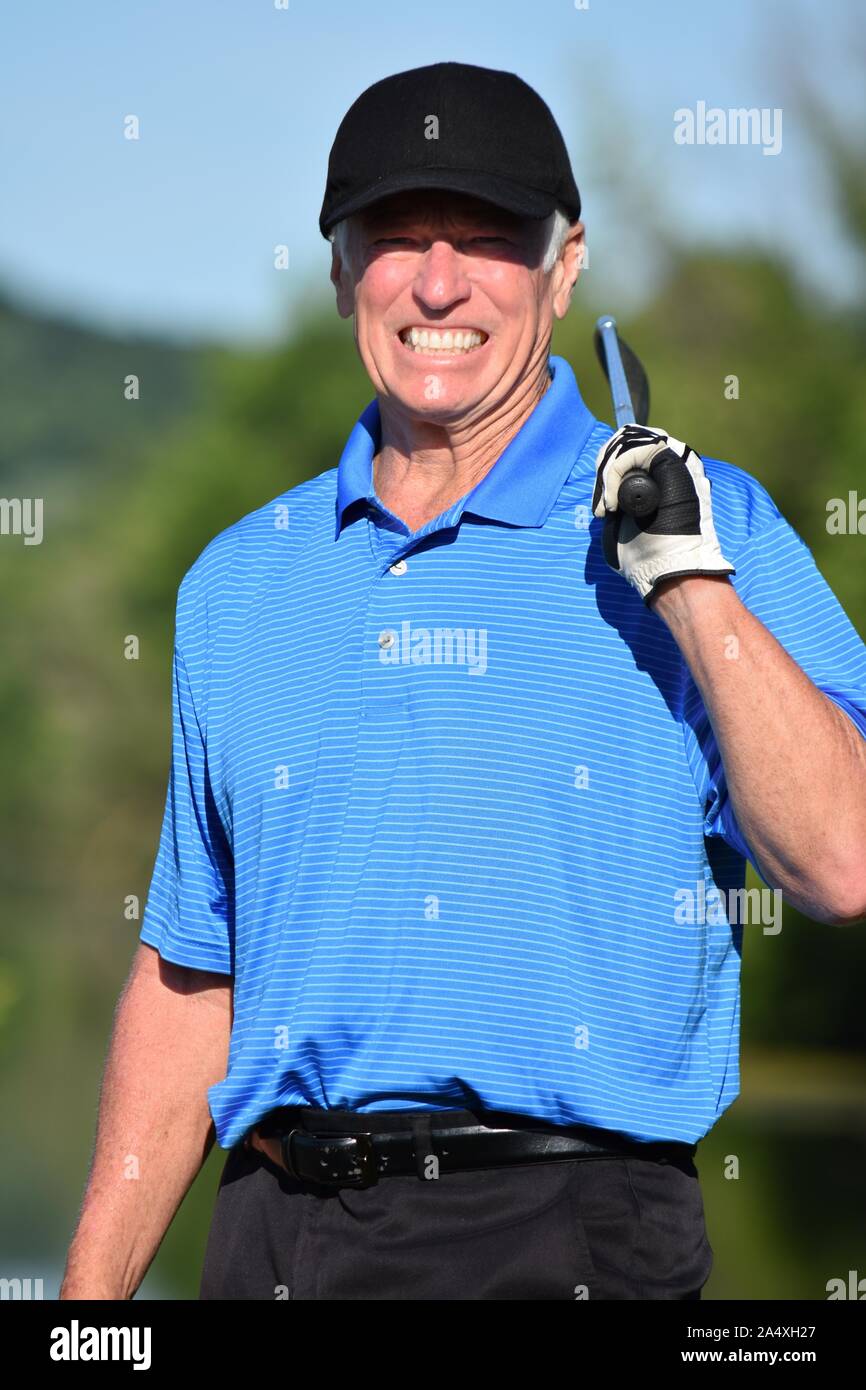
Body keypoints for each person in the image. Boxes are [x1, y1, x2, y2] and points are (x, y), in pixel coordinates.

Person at [61, 61, 866, 1303]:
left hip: (568, 1236)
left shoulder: (710, 525)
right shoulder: (235, 585)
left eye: (487, 238)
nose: (438, 283)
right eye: (395, 239)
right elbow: (190, 980)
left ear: (565, 262)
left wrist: (687, 582)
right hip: (271, 1240)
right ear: (340, 272)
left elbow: (843, 859)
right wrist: (85, 1319)